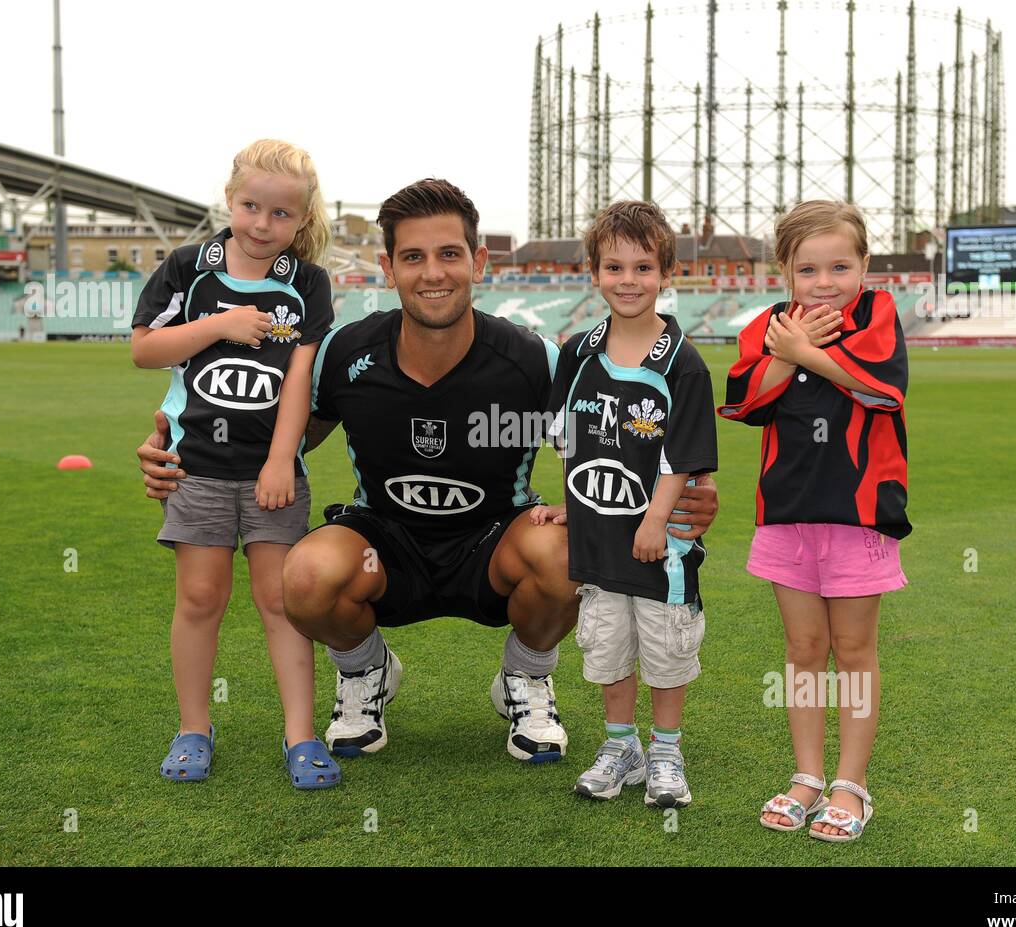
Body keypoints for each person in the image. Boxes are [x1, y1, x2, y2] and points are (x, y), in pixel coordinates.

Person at [137, 179, 720, 768]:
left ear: (479, 261)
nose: (432, 273)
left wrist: (694, 489)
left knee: (565, 553)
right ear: (389, 268)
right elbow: (279, 435)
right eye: (413, 257)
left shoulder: (534, 359)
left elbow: (615, 433)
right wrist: (178, 448)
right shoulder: (344, 354)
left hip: (493, 544)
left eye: (449, 254)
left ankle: (526, 677)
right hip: (384, 547)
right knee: (308, 574)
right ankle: (365, 672)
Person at [130, 139, 338, 789]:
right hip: (197, 467)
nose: (261, 224)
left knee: (280, 601)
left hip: (272, 472)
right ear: (229, 198)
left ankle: (300, 736)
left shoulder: (307, 284)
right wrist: (220, 326)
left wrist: (283, 460)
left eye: (280, 215)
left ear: (301, 220)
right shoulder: (189, 268)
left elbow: (301, 380)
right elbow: (144, 349)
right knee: (199, 598)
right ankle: (194, 728)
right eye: (250, 206)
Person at [717, 199, 909, 841]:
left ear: (864, 266)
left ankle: (851, 785)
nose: (824, 282)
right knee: (802, 651)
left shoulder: (878, 315)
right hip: (787, 516)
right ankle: (805, 777)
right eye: (807, 270)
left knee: (853, 651)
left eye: (840, 266)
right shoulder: (770, 326)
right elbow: (742, 403)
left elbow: (882, 392)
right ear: (784, 271)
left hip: (858, 516)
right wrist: (786, 353)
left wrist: (808, 352)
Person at [533, 200, 718, 808]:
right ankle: (621, 747)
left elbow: (681, 457)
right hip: (597, 541)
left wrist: (657, 519)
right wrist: (571, 505)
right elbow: (568, 440)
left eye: (643, 267)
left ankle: (667, 751)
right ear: (593, 271)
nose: (629, 280)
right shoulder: (577, 354)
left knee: (666, 651)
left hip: (659, 547)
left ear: (666, 272)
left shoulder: (682, 363)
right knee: (607, 648)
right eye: (614, 267)